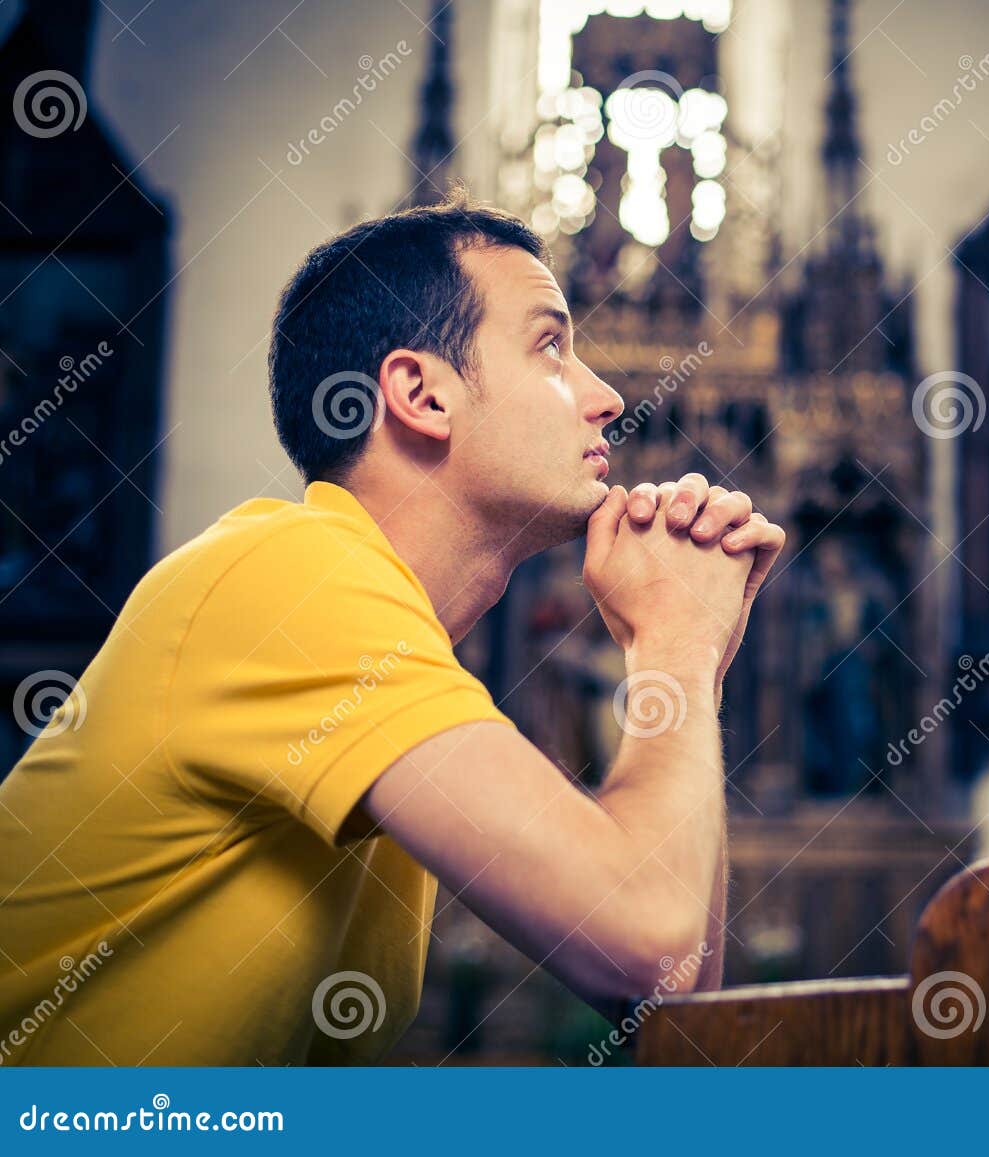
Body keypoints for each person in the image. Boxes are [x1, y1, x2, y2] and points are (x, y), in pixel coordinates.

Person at [0, 191, 785, 1065]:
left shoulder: (395, 647)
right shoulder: (292, 573)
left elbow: (679, 974)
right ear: (420, 393)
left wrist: (688, 656)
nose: (605, 397)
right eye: (552, 346)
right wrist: (674, 636)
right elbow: (645, 942)